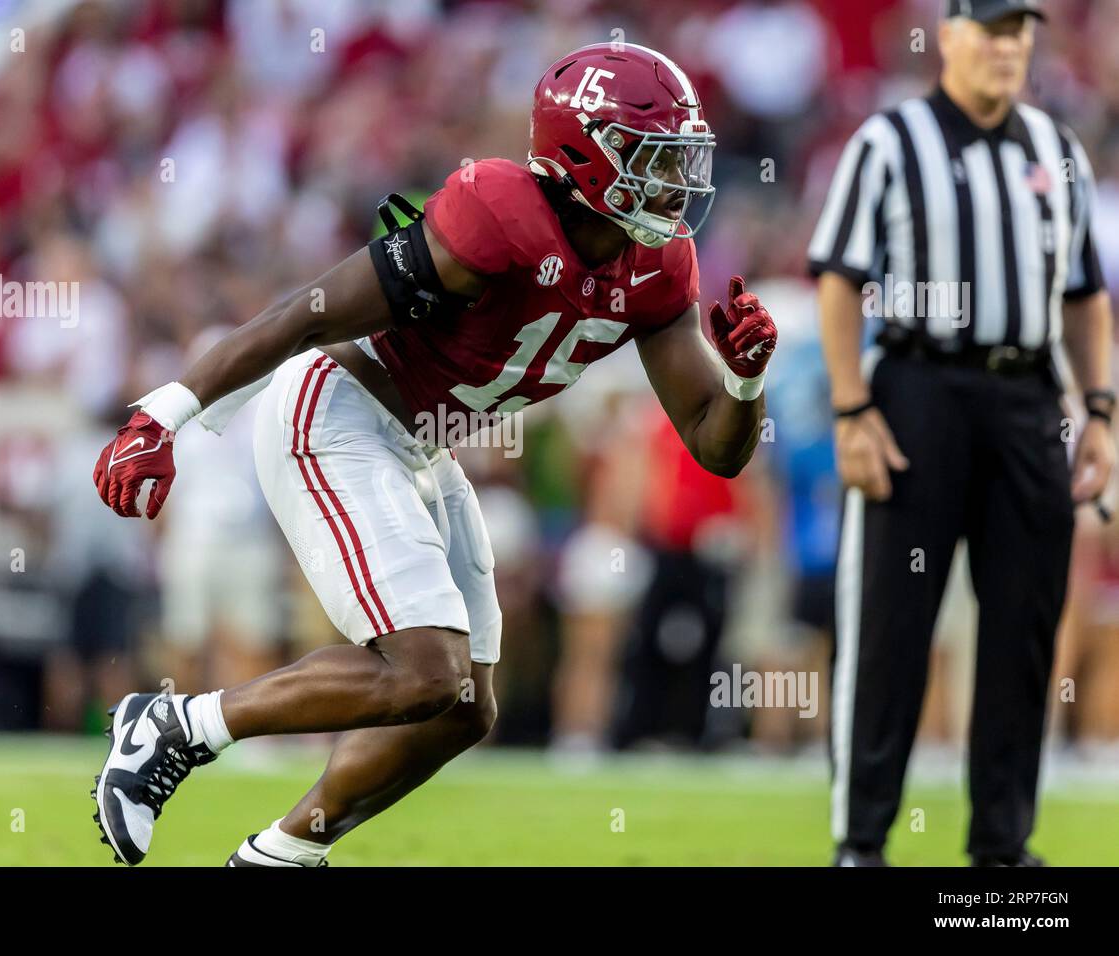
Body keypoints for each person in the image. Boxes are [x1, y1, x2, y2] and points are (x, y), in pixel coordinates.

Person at [90, 42, 778, 867]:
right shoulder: (497, 213)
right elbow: (309, 312)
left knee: (463, 707)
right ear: (583, 151)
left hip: (420, 447)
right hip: (339, 413)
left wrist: (743, 383)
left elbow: (716, 444)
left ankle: (278, 855)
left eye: (680, 158)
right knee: (423, 670)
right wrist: (164, 413)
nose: (674, 181)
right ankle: (173, 726)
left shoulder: (660, 265)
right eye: (651, 156)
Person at [808, 0, 1113, 866]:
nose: (1009, 47)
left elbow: (1085, 295)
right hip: (917, 391)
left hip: (1027, 396)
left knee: (1024, 629)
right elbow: (838, 278)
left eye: (1021, 31)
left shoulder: (1058, 148)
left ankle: (1002, 846)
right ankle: (861, 841)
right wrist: (851, 408)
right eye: (992, 28)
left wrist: (1098, 410)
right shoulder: (890, 141)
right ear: (949, 36)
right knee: (890, 622)